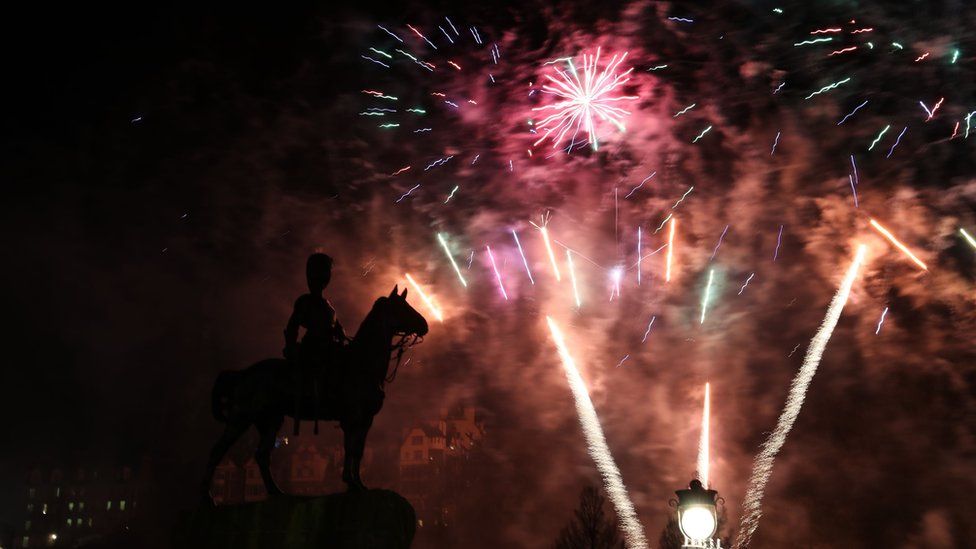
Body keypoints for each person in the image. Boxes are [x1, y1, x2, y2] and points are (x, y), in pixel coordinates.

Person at [284, 253, 347, 434]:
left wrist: (340, 334)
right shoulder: (306, 302)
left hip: (328, 348)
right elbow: (293, 326)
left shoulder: (328, 305)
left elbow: (337, 329)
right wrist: (291, 347)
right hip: (314, 349)